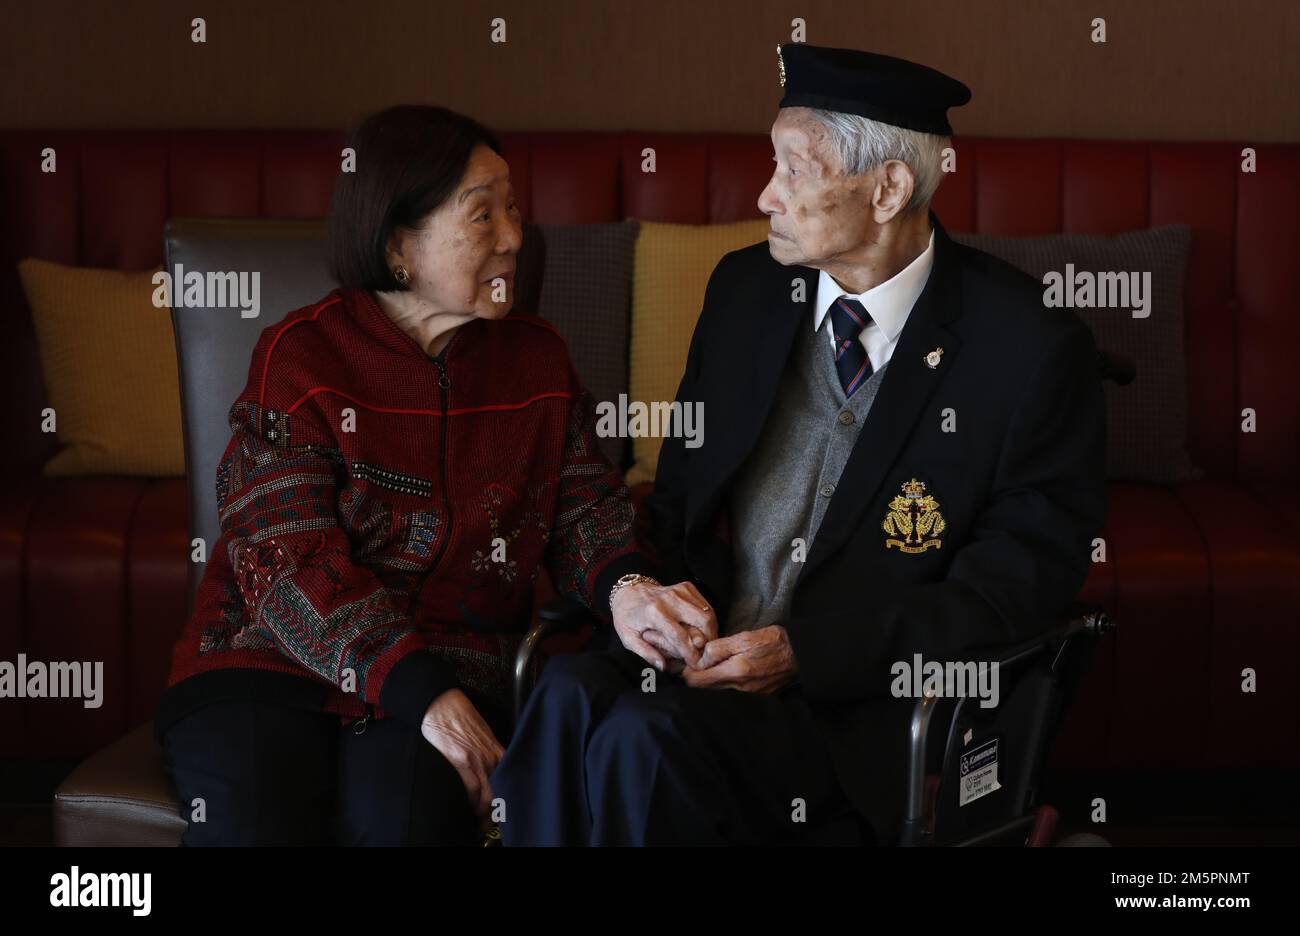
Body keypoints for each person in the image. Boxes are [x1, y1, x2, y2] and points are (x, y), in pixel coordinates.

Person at [492, 45, 1107, 846]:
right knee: (570, 688)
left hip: (850, 711)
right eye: (769, 163)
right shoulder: (745, 289)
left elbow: (1010, 591)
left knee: (642, 738)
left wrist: (805, 652)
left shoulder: (1028, 345)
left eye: (795, 169)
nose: (765, 195)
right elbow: (677, 502)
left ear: (888, 188)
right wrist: (649, 602)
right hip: (701, 656)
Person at [153, 105, 706, 845]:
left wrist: (628, 588)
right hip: (270, 662)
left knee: (406, 822)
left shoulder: (536, 361)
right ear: (398, 247)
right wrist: (420, 691)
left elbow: (583, 511)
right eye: (483, 216)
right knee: (251, 823)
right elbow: (287, 563)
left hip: (454, 667)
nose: (515, 237)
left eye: (513, 207)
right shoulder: (302, 359)